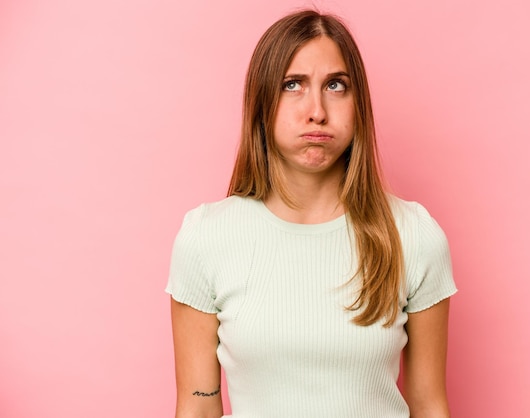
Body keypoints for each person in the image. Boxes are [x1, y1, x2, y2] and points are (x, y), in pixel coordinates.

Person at [166, 9, 457, 418]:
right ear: (262, 102)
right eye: (292, 85)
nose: (316, 110)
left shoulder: (414, 236)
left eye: (336, 85)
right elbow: (197, 407)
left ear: (359, 104)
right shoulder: (205, 239)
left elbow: (429, 404)